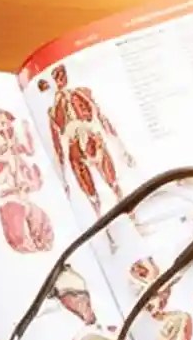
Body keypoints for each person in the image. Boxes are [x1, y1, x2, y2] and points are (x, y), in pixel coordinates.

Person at [45, 65, 136, 222]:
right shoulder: (53, 111)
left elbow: (103, 120)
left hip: (94, 141)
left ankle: (132, 218)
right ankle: (103, 227)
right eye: (56, 78)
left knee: (114, 184)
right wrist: (63, 180)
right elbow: (57, 147)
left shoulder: (83, 93)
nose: (59, 81)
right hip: (76, 152)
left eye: (61, 76)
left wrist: (123, 149)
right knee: (93, 196)